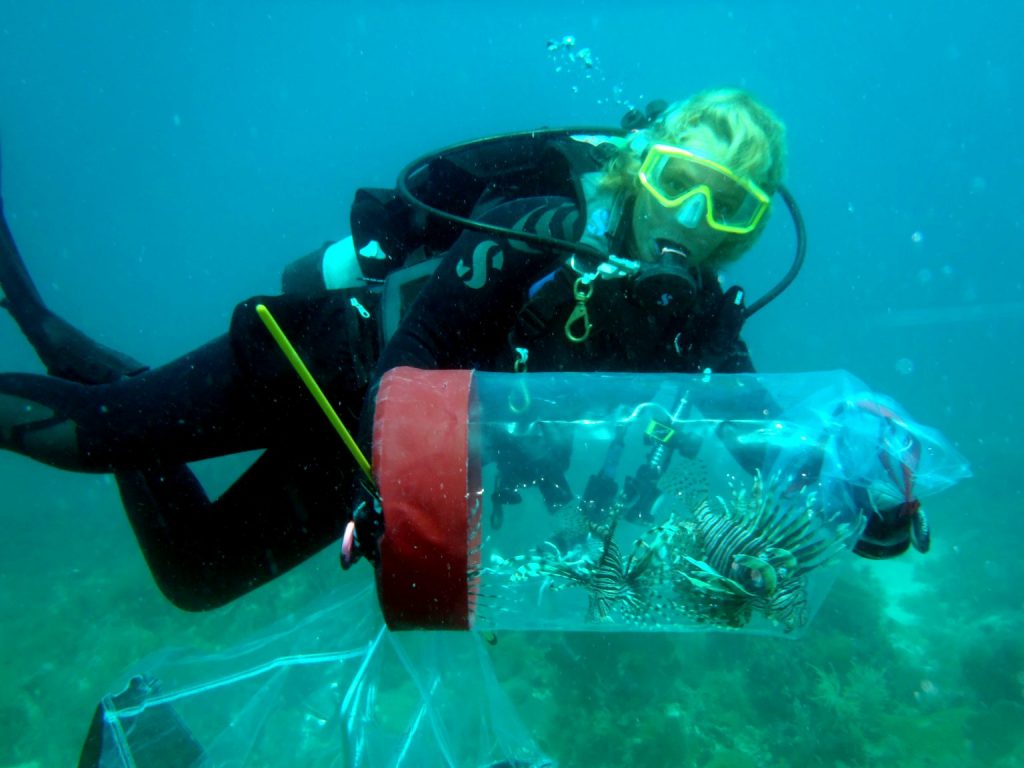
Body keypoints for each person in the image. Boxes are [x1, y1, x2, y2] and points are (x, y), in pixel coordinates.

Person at [0, 89, 922, 611]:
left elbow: (757, 439)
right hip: (320, 365)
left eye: (730, 205)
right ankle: (68, 349)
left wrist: (853, 500)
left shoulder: (704, 325)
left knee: (196, 574)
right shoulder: (536, 227)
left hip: (374, 460)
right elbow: (422, 340)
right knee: (95, 436)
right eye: (680, 181)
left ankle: (96, 363)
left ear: (748, 230)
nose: (693, 217)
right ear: (641, 170)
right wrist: (391, 474)